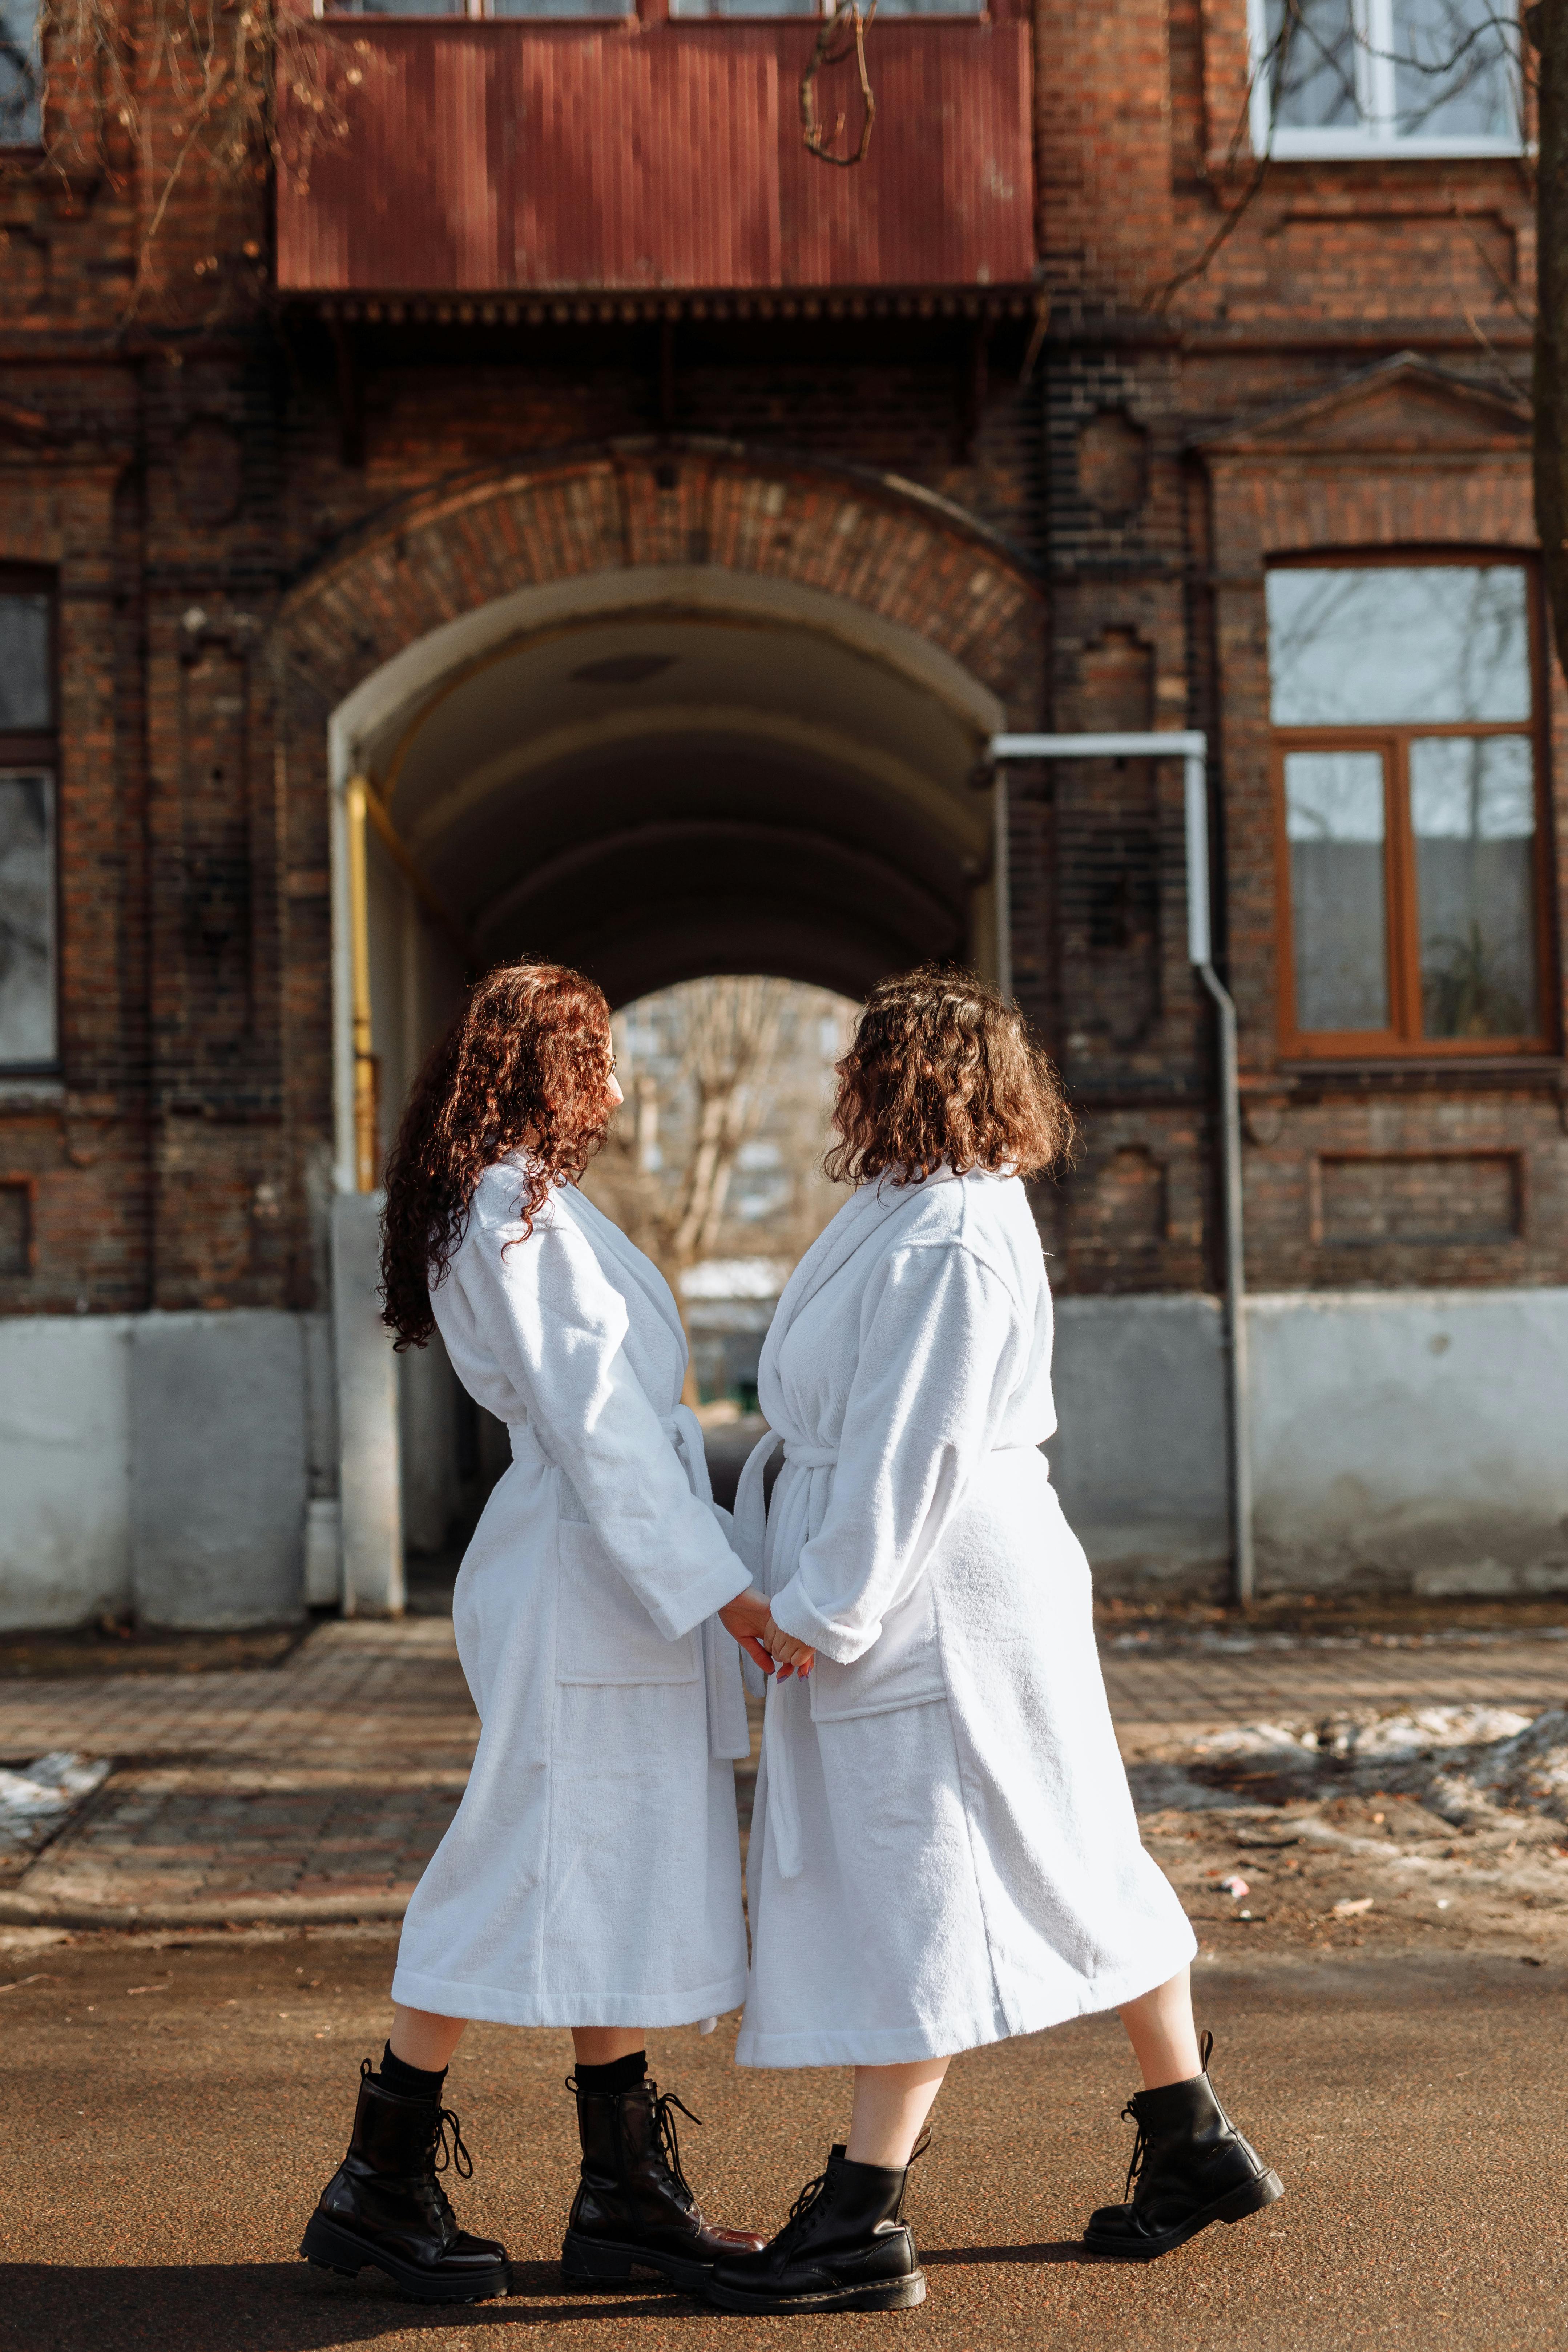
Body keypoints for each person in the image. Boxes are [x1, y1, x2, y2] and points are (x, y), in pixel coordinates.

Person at [706, 965, 1282, 2317]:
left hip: (937, 1599)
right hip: (938, 1580)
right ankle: (1191, 2138)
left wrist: (821, 1608)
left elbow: (913, 1446)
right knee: (1061, 1848)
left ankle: (861, 2213)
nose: (843, 1083)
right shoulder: (907, 1208)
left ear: (909, 1078)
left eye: (863, 1063)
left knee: (925, 1873)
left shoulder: (950, 1235)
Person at [299, 960, 781, 2305]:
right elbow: (600, 1426)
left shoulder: (524, 1202)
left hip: (598, 1577)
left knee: (604, 1865)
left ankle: (623, 2191)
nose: (618, 1084)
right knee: (518, 1853)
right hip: (584, 1575)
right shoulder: (511, 1206)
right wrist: (725, 1587)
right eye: (601, 1058)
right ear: (549, 1066)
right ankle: (380, 2179)